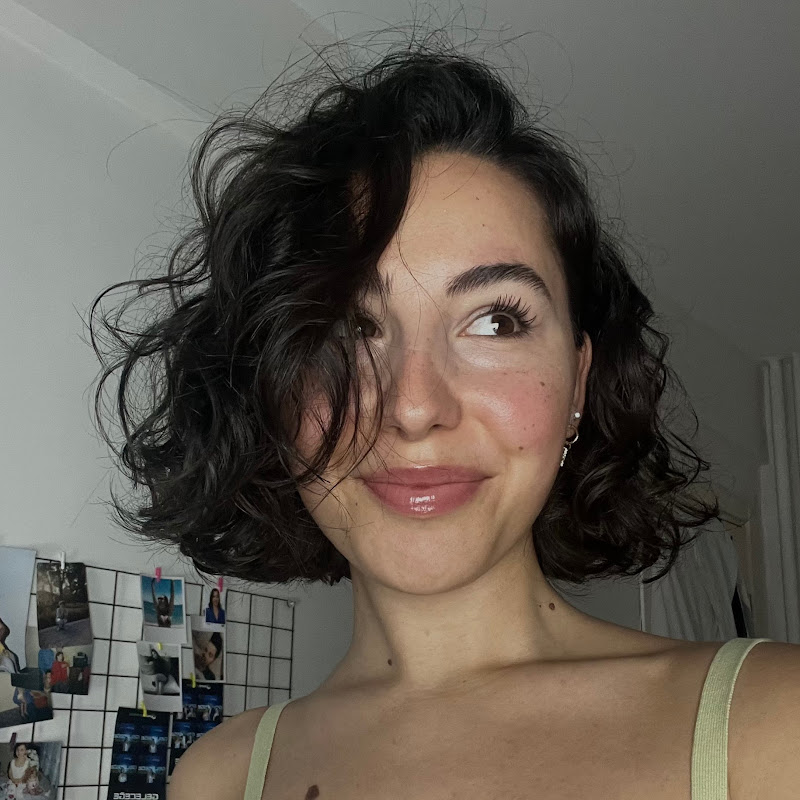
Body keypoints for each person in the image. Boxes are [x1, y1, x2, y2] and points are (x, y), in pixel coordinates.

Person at [91, 28, 800, 800]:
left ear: (577, 383)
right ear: (271, 390)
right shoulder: (216, 779)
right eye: (347, 328)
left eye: (497, 320)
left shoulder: (774, 728)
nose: (415, 406)